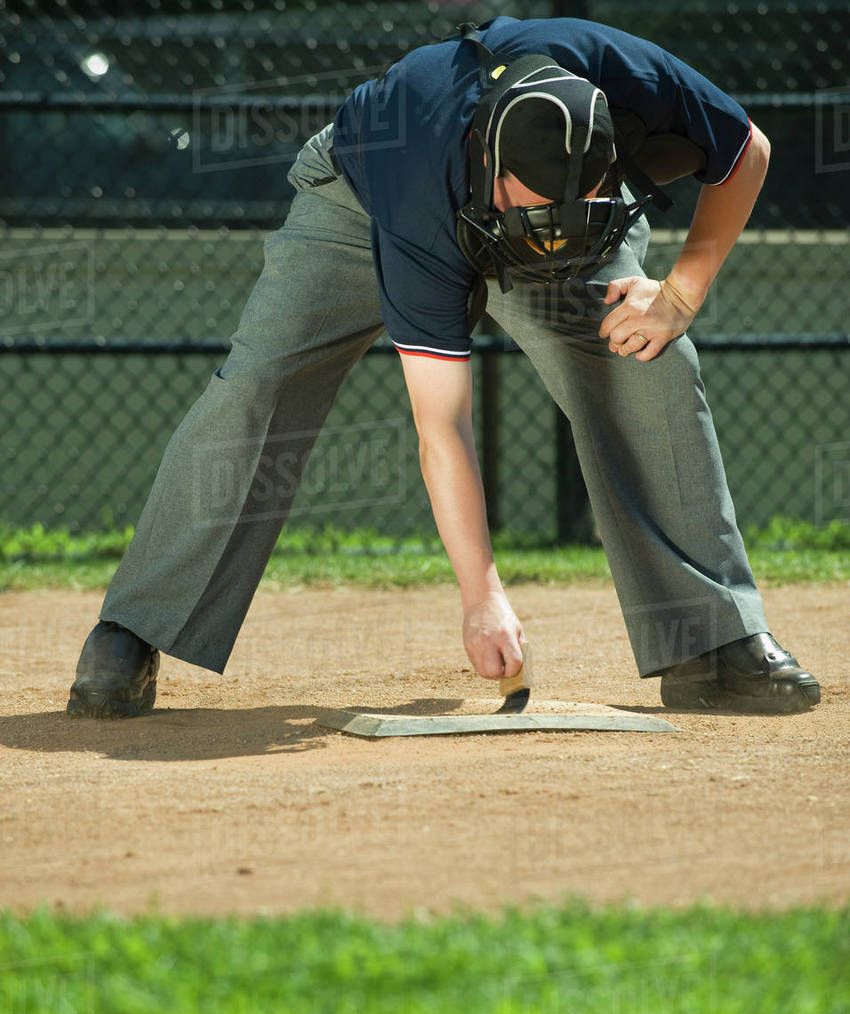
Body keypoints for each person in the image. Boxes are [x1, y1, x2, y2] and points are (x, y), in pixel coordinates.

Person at [67, 15, 820, 718]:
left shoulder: (628, 76)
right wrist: (481, 595)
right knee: (262, 382)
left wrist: (680, 295)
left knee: (646, 358)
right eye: (533, 209)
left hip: (540, 213)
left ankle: (715, 641)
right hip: (364, 200)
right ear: (492, 165)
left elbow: (745, 150)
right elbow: (442, 425)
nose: (546, 237)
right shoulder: (417, 193)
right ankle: (133, 629)